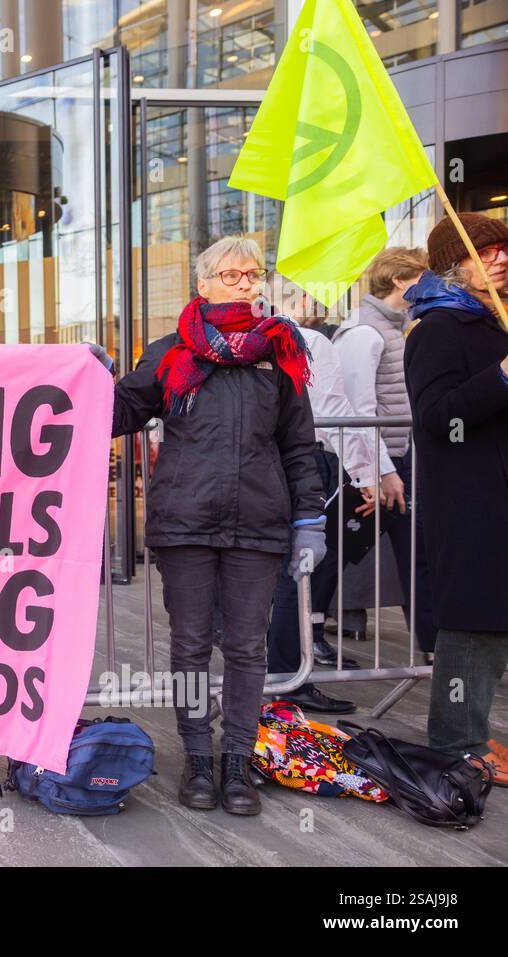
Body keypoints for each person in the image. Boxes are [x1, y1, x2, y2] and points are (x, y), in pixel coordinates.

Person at [92, 237, 326, 816]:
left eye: (254, 275)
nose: (246, 284)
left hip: (258, 522)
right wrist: (91, 379)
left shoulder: (282, 353)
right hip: (185, 523)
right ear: (203, 285)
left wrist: (310, 518)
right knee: (192, 646)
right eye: (232, 275)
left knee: (247, 648)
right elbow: (119, 415)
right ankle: (198, 758)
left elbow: (299, 445)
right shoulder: (170, 352)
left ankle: (237, 762)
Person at [403, 212, 508, 787]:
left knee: (495, 619)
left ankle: (472, 727)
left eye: (501, 249)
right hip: (471, 500)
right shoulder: (439, 327)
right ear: (451, 262)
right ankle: (457, 742)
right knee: (473, 621)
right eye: (482, 252)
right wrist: (504, 374)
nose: (499, 259)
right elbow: (439, 418)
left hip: (498, 491)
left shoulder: (492, 318)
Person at [263, 274, 377, 715]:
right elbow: (335, 412)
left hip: (266, 464)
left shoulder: (253, 342)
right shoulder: (309, 340)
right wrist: (365, 472)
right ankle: (287, 676)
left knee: (277, 571)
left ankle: (278, 672)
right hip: (309, 461)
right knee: (300, 570)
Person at [334, 247, 436, 659]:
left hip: (396, 460)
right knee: (335, 554)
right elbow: (358, 408)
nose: (431, 285)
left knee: (418, 553)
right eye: (423, 277)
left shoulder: (400, 326)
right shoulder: (364, 331)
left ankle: (432, 645)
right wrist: (379, 470)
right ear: (399, 280)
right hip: (374, 464)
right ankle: (301, 642)